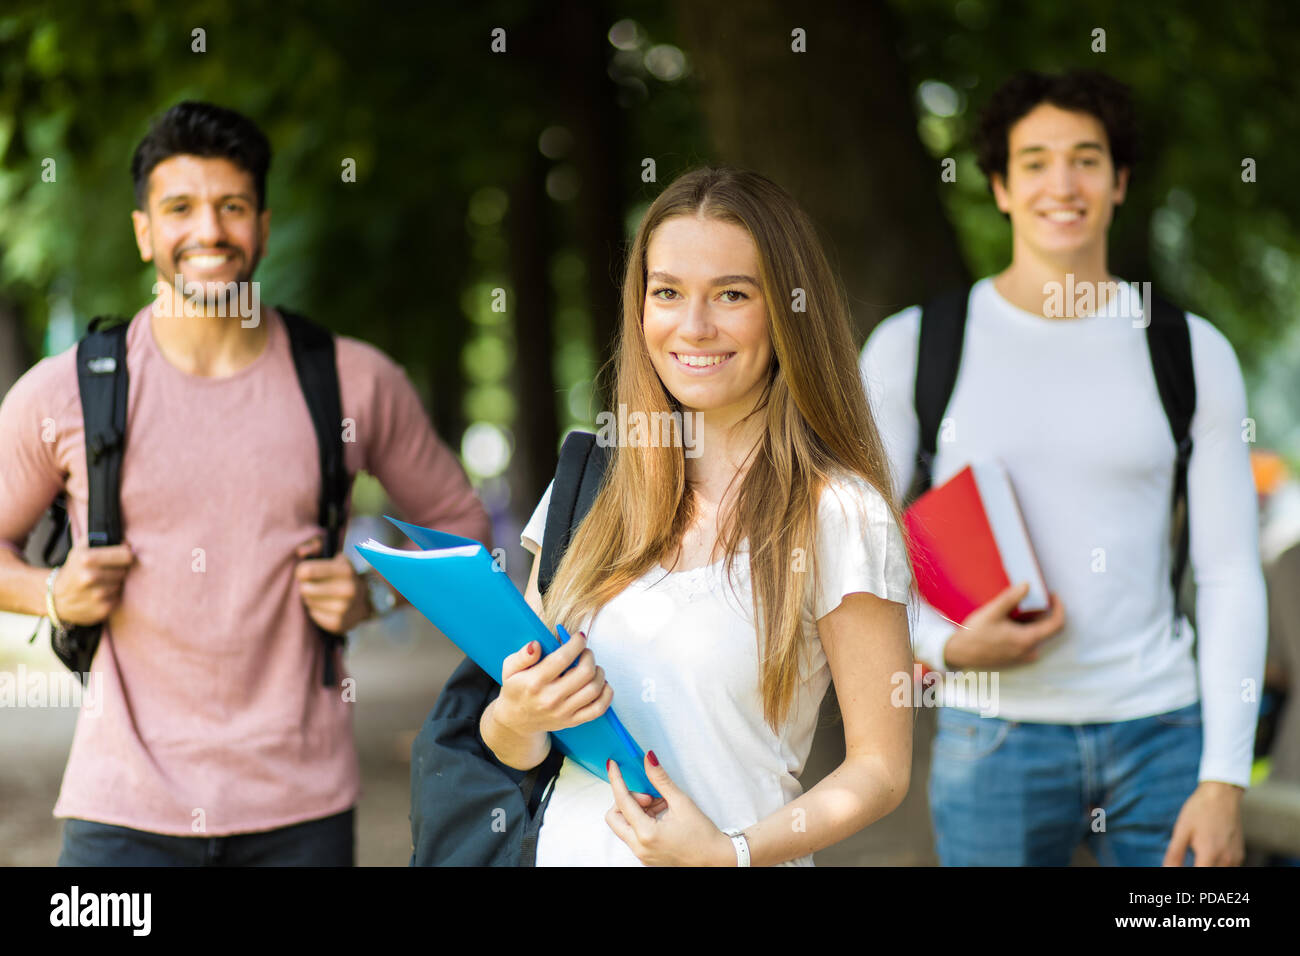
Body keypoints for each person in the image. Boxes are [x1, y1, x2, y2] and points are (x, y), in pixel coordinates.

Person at [0, 101, 492, 866]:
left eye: (231, 206)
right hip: (121, 809)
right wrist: (53, 593)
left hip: (300, 810)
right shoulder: (66, 391)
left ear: (261, 225)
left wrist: (377, 593)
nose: (209, 231)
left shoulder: (352, 381)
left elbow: (464, 526)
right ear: (144, 233)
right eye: (179, 208)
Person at [860, 70, 1267, 866]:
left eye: (1086, 159)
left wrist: (1224, 780)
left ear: (1118, 183)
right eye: (1036, 160)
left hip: (1164, 736)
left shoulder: (1188, 350)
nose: (1062, 182)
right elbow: (852, 552)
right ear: (1002, 187)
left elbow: (1228, 574)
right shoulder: (915, 346)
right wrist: (942, 649)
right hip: (990, 737)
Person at [479, 166, 915, 866]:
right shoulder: (591, 486)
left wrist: (732, 853)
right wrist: (516, 715)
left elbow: (881, 770)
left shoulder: (838, 512)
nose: (694, 326)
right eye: (668, 293)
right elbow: (508, 741)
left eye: (732, 294)